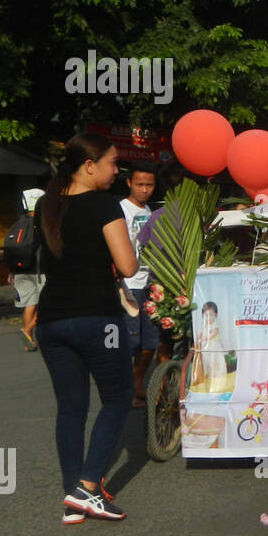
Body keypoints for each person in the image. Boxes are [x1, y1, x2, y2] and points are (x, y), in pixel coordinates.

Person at [34, 133, 139, 524]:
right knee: (117, 399)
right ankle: (90, 486)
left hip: (52, 320)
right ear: (89, 166)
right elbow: (128, 267)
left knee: (71, 408)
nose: (117, 171)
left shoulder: (47, 205)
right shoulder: (103, 204)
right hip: (98, 318)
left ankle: (72, 495)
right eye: (113, 163)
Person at [119, 162, 159, 405]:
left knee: (150, 341)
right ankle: (125, 391)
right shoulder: (120, 210)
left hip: (150, 282)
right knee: (130, 340)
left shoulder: (151, 211)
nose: (144, 189)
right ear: (129, 183)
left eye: (149, 185)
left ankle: (136, 384)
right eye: (140, 184)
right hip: (129, 283)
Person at [10, 187, 47, 351]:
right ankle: (28, 329)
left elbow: (14, 249)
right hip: (40, 271)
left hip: (19, 271)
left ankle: (29, 342)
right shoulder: (42, 224)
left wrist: (11, 270)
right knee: (48, 304)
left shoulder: (18, 224)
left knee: (29, 304)